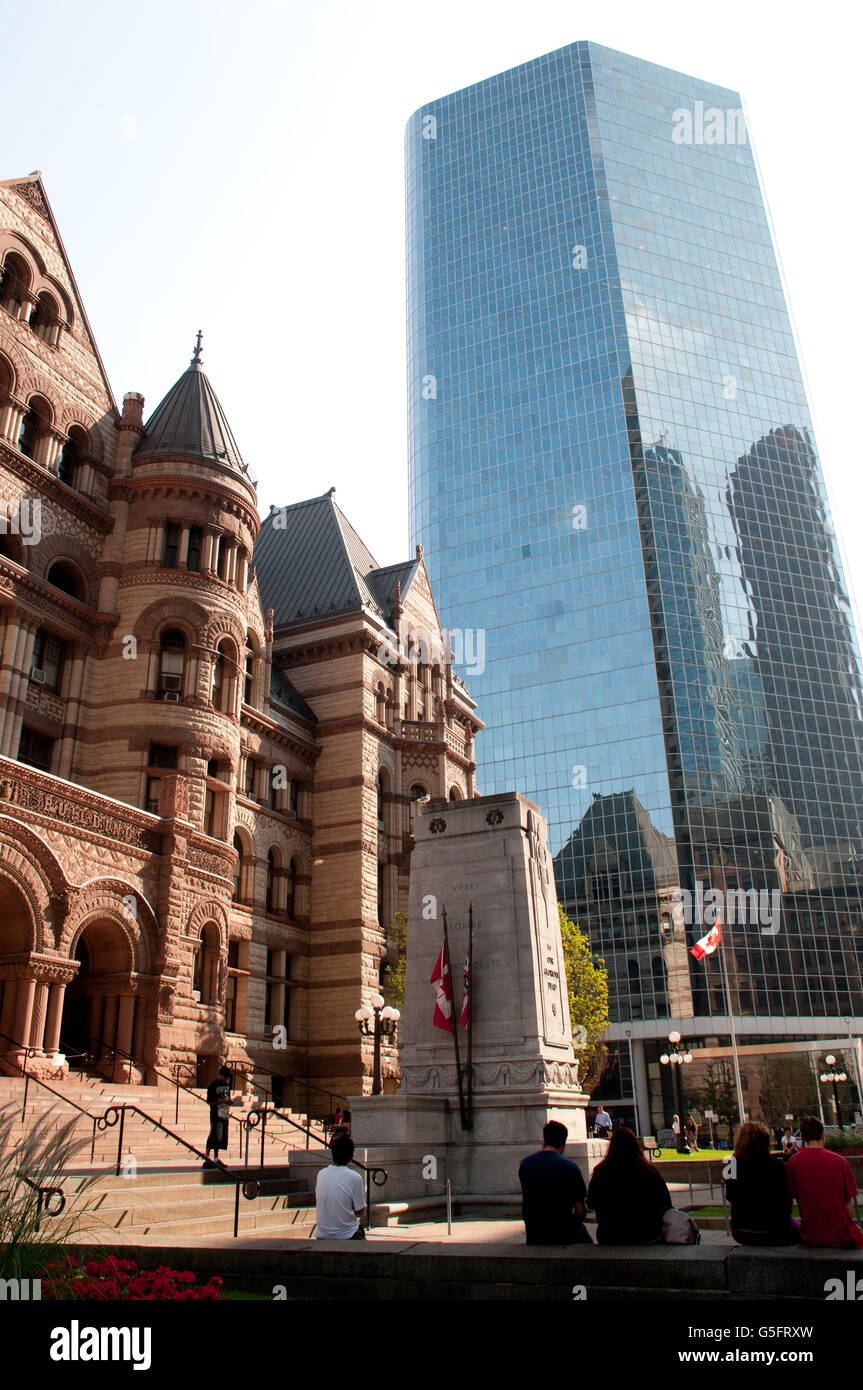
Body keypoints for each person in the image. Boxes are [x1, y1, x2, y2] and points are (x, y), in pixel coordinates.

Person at [786, 1116, 863, 1249]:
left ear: (802, 1138)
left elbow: (789, 1204)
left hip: (812, 1236)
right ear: (823, 1135)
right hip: (842, 1237)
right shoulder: (839, 1162)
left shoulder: (793, 1163)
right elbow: (849, 1211)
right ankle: (851, 1272)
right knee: (852, 1268)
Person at [587, 1127, 672, 1244]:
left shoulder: (601, 1171)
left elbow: (592, 1202)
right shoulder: (648, 1171)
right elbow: (666, 1203)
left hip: (610, 1236)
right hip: (647, 1234)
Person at [725, 1121, 800, 1246]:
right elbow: (787, 1202)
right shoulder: (776, 1166)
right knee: (800, 1231)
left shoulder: (733, 1165)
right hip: (774, 1229)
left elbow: (731, 1199)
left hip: (741, 1229)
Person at [518, 1120, 592, 1245]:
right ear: (564, 1143)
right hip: (562, 1232)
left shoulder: (525, 1164)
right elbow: (580, 1211)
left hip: (534, 1233)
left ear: (544, 1140)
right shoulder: (570, 1167)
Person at [313, 1133, 367, 1239]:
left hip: (322, 1233)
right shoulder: (355, 1177)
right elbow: (360, 1211)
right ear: (351, 1156)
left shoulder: (321, 1174)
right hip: (347, 1233)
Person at [204, 1065, 233, 1167]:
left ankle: (216, 1158)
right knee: (213, 1135)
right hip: (215, 1114)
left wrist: (228, 1102)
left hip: (224, 1114)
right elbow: (210, 1101)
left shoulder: (226, 1085)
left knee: (220, 1138)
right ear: (220, 1075)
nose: (225, 1079)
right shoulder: (213, 1086)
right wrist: (223, 1101)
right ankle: (206, 1158)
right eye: (224, 1077)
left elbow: (227, 1096)